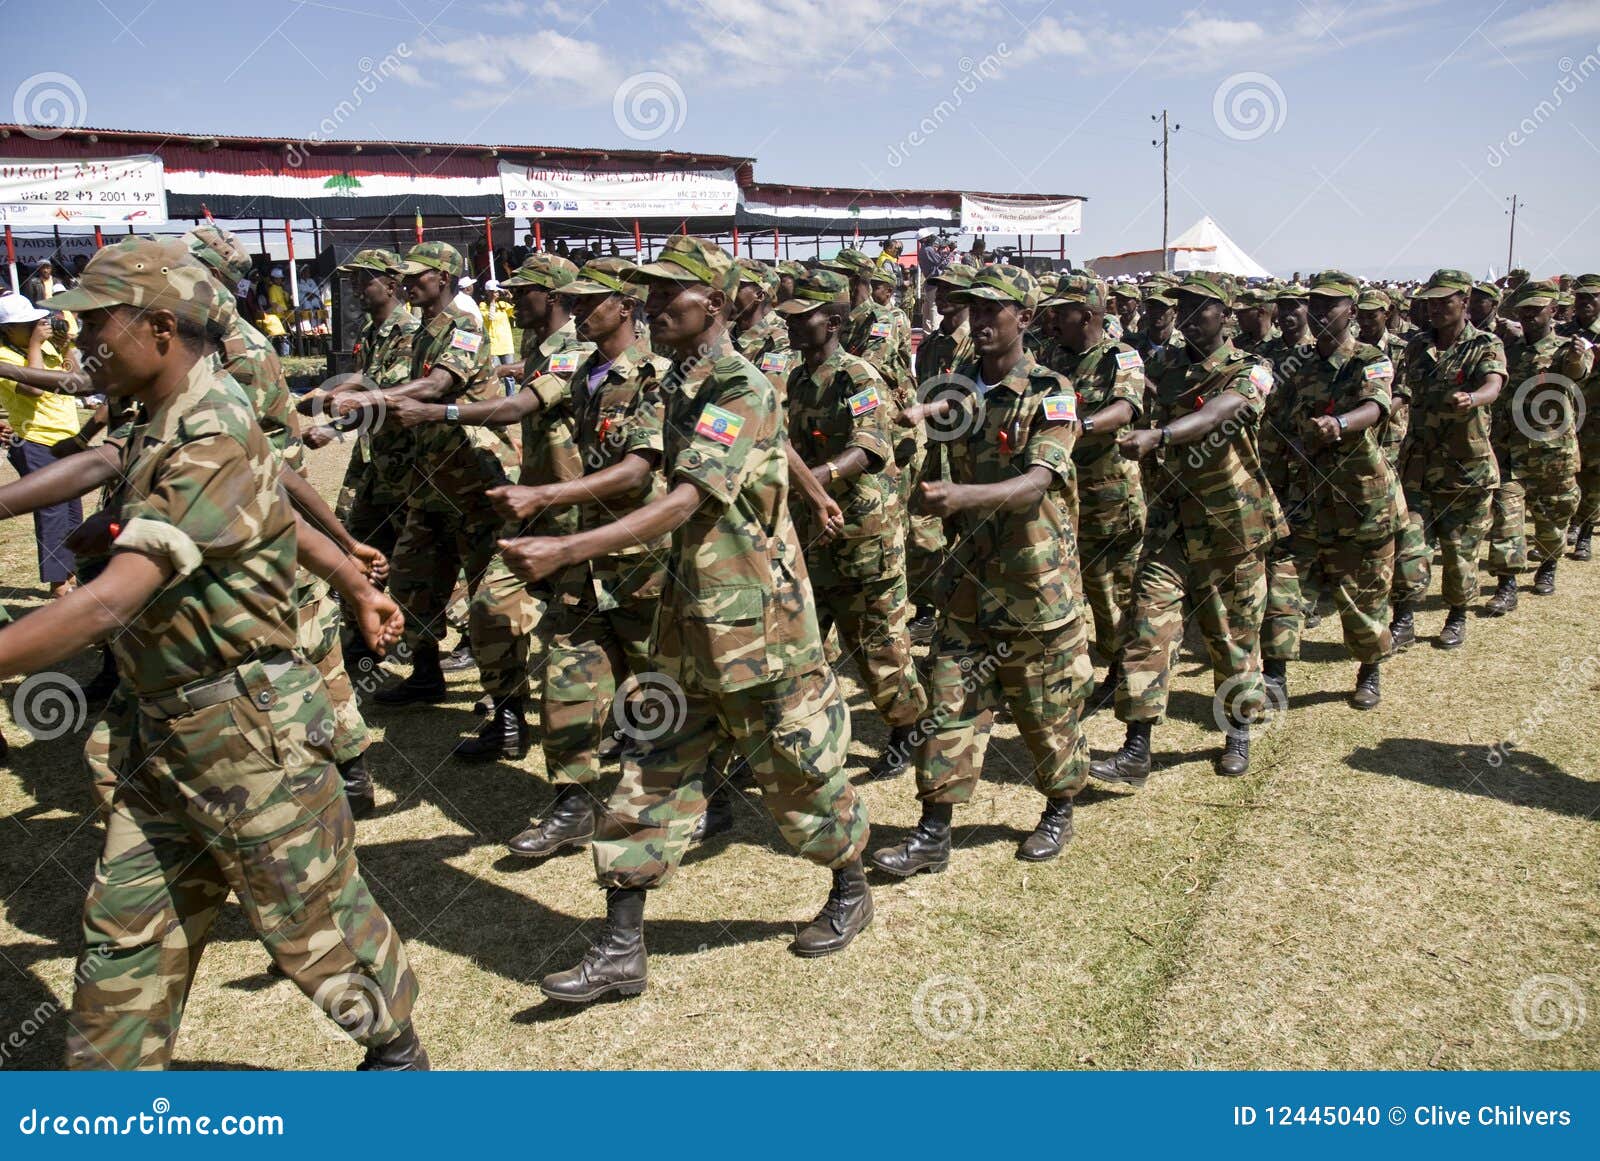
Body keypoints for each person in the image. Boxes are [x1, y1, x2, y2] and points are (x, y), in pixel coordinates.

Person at [17, 238, 425, 1071]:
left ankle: (397, 1058)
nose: (79, 343)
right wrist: (351, 575)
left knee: (312, 923)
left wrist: (351, 576)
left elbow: (107, 601)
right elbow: (272, 507)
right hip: (160, 731)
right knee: (126, 938)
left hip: (245, 734)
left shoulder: (208, 430)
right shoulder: (166, 414)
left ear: (160, 327)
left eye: (96, 325)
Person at [495, 237, 871, 1003]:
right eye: (650, 292)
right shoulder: (682, 383)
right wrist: (806, 485)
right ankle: (621, 947)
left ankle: (851, 883)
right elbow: (766, 448)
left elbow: (687, 497)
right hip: (685, 620)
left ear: (718, 304)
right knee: (646, 775)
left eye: (674, 294)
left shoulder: (739, 385)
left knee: (799, 782)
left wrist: (565, 543)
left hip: (755, 629)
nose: (654, 305)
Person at [870, 263, 1092, 874]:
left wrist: (959, 499)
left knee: (1045, 709)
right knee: (948, 702)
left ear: (1024, 318)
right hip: (970, 576)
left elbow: (1038, 482)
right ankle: (933, 830)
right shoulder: (962, 387)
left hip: (1033, 580)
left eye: (995, 310)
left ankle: (1059, 806)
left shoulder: (1053, 391)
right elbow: (929, 425)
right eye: (975, 308)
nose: (982, 320)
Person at [488, 257, 673, 858]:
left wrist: (544, 494)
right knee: (568, 673)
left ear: (625, 307)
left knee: (659, 684)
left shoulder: (656, 377)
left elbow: (637, 470)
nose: (578, 310)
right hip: (585, 557)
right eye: (573, 299)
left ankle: (701, 790)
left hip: (642, 557)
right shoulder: (583, 375)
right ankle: (572, 801)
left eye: (592, 301)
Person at [1092, 272, 1283, 783]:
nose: (1192, 318)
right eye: (1186, 308)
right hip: (1172, 524)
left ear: (1227, 315)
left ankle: (1237, 733)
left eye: (1203, 309)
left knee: (1232, 638)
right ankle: (1136, 746)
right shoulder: (1165, 366)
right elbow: (1133, 397)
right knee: (1146, 628)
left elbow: (1227, 410)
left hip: (1232, 527)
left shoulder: (1252, 370)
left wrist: (1163, 435)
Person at [329, 242, 520, 718]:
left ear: (444, 278)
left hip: (472, 478)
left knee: (484, 587)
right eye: (407, 276)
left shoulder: (465, 326)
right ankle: (426, 675)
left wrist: (368, 401)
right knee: (414, 578)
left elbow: (437, 387)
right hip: (429, 479)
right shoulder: (421, 333)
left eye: (419, 276)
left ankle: (502, 698)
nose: (410, 283)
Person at [779, 267, 927, 782]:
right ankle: (815, 739)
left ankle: (907, 727)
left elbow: (869, 447)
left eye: (804, 317)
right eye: (789, 317)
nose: (792, 325)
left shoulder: (859, 376)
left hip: (866, 532)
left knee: (879, 649)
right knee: (804, 645)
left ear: (835, 322)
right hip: (813, 533)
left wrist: (813, 480)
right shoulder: (797, 378)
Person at [1265, 271, 1399, 707]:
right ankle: (1275, 676)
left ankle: (1369, 670)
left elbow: (1375, 406)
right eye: (1314, 306)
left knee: (1363, 594)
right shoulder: (1296, 364)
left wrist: (1339, 424)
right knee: (1281, 588)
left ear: (1352, 312)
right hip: (1302, 499)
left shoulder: (1370, 359)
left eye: (1330, 307)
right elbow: (1276, 423)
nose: (1320, 314)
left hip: (1357, 499)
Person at [1040, 274, 1147, 708]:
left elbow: (1126, 407)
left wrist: (1079, 427)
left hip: (1108, 497)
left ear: (1086, 315)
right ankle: (1071, 670)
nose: (1053, 319)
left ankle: (1123, 670)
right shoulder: (1050, 355)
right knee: (1064, 587)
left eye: (1061, 311)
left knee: (1111, 592)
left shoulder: (1121, 357)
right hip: (1059, 495)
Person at [1390, 269, 1507, 649]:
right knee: (1409, 547)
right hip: (1418, 467)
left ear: (1465, 301)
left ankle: (1456, 617)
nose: (1436, 308)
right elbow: (1403, 389)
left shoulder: (1485, 343)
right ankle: (1403, 618)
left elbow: (1494, 383)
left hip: (1465, 469)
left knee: (1459, 554)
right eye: (1431, 301)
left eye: (1445, 301)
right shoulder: (1416, 345)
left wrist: (1473, 398)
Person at [1484, 279, 1587, 607]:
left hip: (1552, 454)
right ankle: (1507, 583)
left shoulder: (1566, 349)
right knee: (1506, 517)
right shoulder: (1506, 349)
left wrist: (1577, 356)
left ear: (1553, 311)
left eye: (1536, 309)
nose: (1528, 315)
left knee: (1552, 520)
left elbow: (1577, 371)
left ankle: (1547, 564)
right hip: (1509, 449)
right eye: (1523, 309)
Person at [906, 261, 977, 639]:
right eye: (939, 289)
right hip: (936, 450)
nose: (943, 297)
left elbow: (970, 394)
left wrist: (925, 409)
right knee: (922, 528)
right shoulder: (932, 344)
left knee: (968, 532)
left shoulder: (978, 342)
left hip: (970, 454)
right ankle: (926, 610)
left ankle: (967, 610)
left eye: (951, 290)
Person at [0, 293, 84, 597]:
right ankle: (58, 582)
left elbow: (77, 382)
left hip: (68, 438)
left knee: (73, 511)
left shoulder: (48, 346)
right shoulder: (4, 357)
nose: (37, 325)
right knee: (52, 511)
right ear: (8, 329)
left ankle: (76, 572)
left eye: (37, 320)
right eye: (27, 324)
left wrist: (67, 346)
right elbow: (33, 389)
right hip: (35, 441)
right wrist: (35, 345)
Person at [1561, 273, 1600, 560]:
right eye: (1581, 297)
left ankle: (1585, 533)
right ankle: (1571, 522)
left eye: (1592, 297)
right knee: (1567, 474)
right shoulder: (1563, 332)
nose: (1585, 302)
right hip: (1563, 414)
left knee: (1594, 477)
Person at [482, 280, 516, 368]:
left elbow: (516, 312)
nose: (496, 294)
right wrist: (493, 301)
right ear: (488, 292)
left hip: (506, 345)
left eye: (498, 291)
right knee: (496, 372)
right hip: (493, 346)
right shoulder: (483, 306)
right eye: (494, 292)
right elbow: (491, 317)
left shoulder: (503, 304)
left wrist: (511, 298)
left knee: (510, 373)